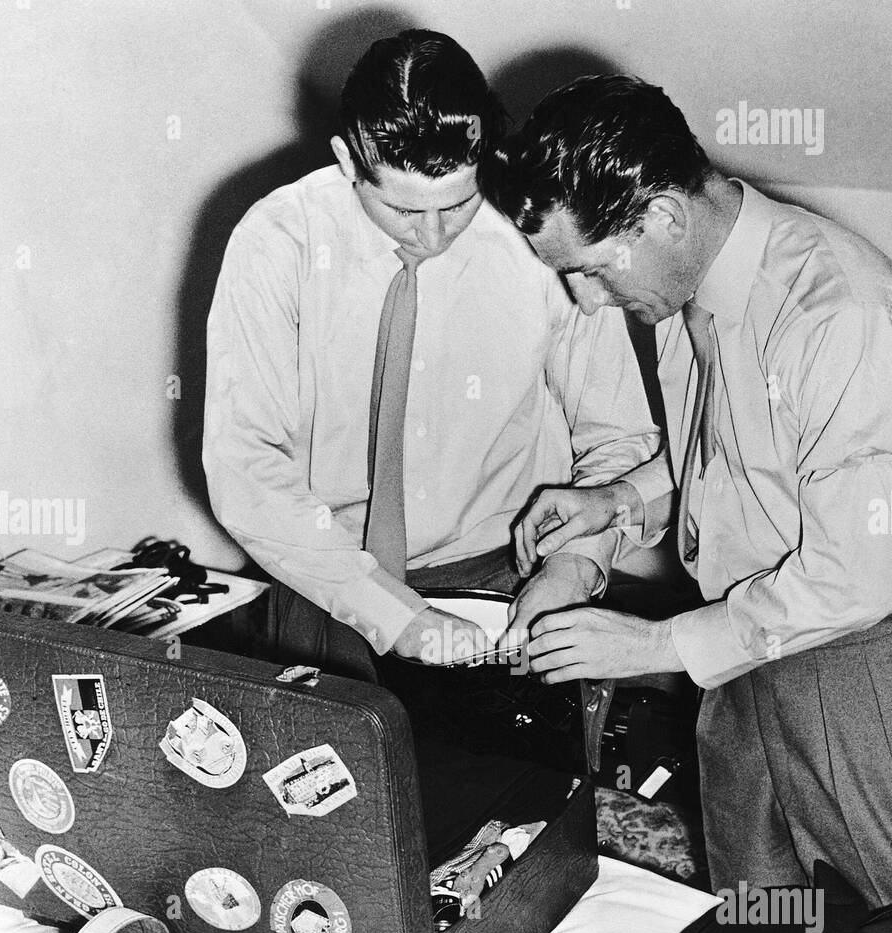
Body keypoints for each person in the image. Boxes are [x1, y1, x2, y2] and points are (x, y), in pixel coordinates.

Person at [487, 74, 892, 929]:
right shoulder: (688, 289)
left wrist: (655, 645)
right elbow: (736, 457)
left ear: (663, 216)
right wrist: (616, 505)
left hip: (864, 671)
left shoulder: (844, 314)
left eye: (591, 270)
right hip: (743, 655)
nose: (585, 301)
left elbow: (858, 570)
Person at [202, 33, 659, 681]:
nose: (435, 234)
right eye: (401, 208)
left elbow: (619, 437)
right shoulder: (278, 241)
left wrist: (574, 564)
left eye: (458, 203)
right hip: (324, 574)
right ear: (345, 159)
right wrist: (396, 616)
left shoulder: (540, 230)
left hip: (510, 568)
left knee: (513, 782)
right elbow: (245, 470)